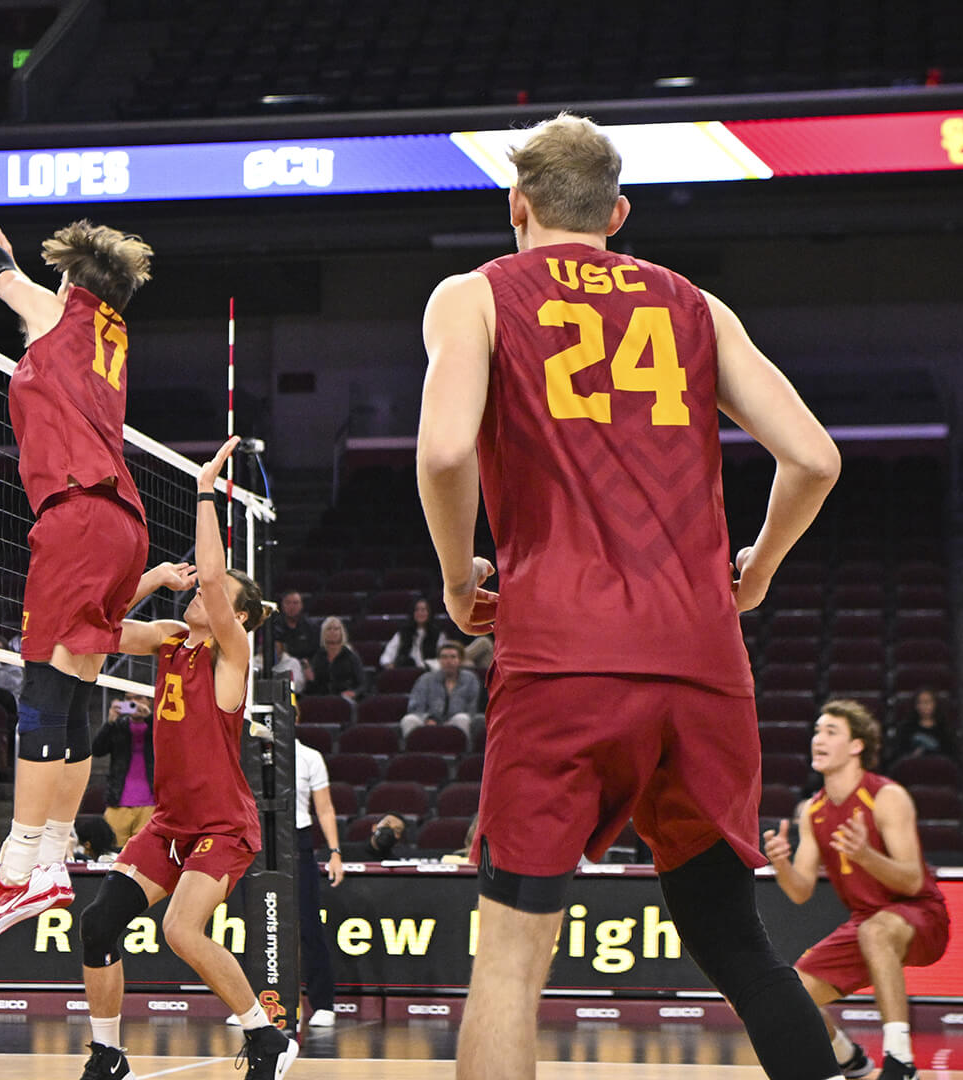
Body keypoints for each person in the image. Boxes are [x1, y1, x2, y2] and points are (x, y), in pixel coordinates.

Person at [414, 113, 843, 1079]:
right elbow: (814, 457)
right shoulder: (694, 304)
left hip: (564, 658)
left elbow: (443, 452)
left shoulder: (474, 296)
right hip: (700, 662)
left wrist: (455, 579)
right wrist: (759, 569)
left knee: (512, 966)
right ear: (618, 212)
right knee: (737, 945)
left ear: (516, 205)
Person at [0, 178, 158, 942]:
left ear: (69, 281)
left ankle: (20, 865)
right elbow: (30, 312)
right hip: (122, 521)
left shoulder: (63, 310)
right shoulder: (106, 332)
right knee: (79, 692)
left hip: (78, 515)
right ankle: (55, 858)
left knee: (43, 693)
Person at [74, 436, 297, 1080]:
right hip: (170, 823)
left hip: (223, 826)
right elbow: (103, 623)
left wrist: (205, 491)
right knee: (97, 924)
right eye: (201, 584)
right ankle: (110, 1054)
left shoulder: (233, 655)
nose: (202, 587)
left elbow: (218, 587)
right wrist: (154, 578)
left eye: (218, 589)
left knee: (180, 930)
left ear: (242, 616)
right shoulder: (172, 640)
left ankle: (264, 1037)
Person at [765, 701, 950, 1080]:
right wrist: (781, 865)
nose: (818, 739)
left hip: (921, 916)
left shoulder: (886, 796)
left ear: (856, 746)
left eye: (831, 731)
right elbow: (800, 891)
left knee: (875, 931)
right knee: (787, 997)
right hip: (866, 923)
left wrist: (866, 855)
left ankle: (901, 1060)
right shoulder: (813, 811)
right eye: (817, 731)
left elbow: (913, 881)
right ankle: (848, 1057)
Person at [295, 736, 344, 1028]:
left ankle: (323, 1003)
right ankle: (255, 1004)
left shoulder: (309, 756)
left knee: (309, 924)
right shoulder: (245, 752)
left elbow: (324, 808)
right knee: (257, 926)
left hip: (297, 839)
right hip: (257, 838)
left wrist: (335, 852)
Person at [91, 693, 157, 849]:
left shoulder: (158, 726)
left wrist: (149, 718)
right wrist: (110, 721)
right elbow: (97, 749)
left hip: (151, 803)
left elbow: (172, 744)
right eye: (129, 699)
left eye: (139, 698)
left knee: (145, 852)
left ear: (150, 701)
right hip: (118, 802)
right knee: (113, 851)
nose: (134, 703)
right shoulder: (118, 727)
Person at [401, 642, 485, 743]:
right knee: (409, 719)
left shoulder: (470, 679)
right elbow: (415, 706)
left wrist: (450, 721)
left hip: (457, 721)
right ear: (439, 660)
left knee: (462, 718)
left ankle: (462, 752)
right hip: (429, 720)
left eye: (453, 657)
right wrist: (428, 719)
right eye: (444, 657)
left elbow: (473, 708)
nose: (448, 661)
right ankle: (413, 752)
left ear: (460, 660)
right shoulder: (425, 679)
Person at [888, 688, 953, 766]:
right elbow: (899, 757)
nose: (924, 706)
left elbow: (951, 758)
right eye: (919, 702)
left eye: (927, 702)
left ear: (935, 704)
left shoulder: (944, 729)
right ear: (915, 706)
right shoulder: (906, 728)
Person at [304, 617, 364, 700]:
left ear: (341, 633)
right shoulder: (318, 656)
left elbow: (362, 685)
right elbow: (313, 688)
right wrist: (310, 679)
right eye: (329, 629)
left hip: (345, 700)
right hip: (323, 700)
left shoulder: (351, 656)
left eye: (336, 629)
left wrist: (354, 693)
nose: (332, 631)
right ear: (324, 633)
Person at [379, 597, 444, 671]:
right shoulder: (402, 633)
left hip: (429, 672)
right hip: (406, 671)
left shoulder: (438, 634)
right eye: (417, 610)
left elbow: (442, 658)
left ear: (429, 613)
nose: (420, 613)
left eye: (423, 610)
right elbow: (387, 655)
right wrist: (390, 665)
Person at [267, 590, 319, 663]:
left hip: (305, 665)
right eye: (288, 603)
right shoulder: (274, 625)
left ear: (301, 605)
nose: (291, 606)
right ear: (282, 605)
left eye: (295, 603)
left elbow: (315, 652)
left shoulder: (311, 627)